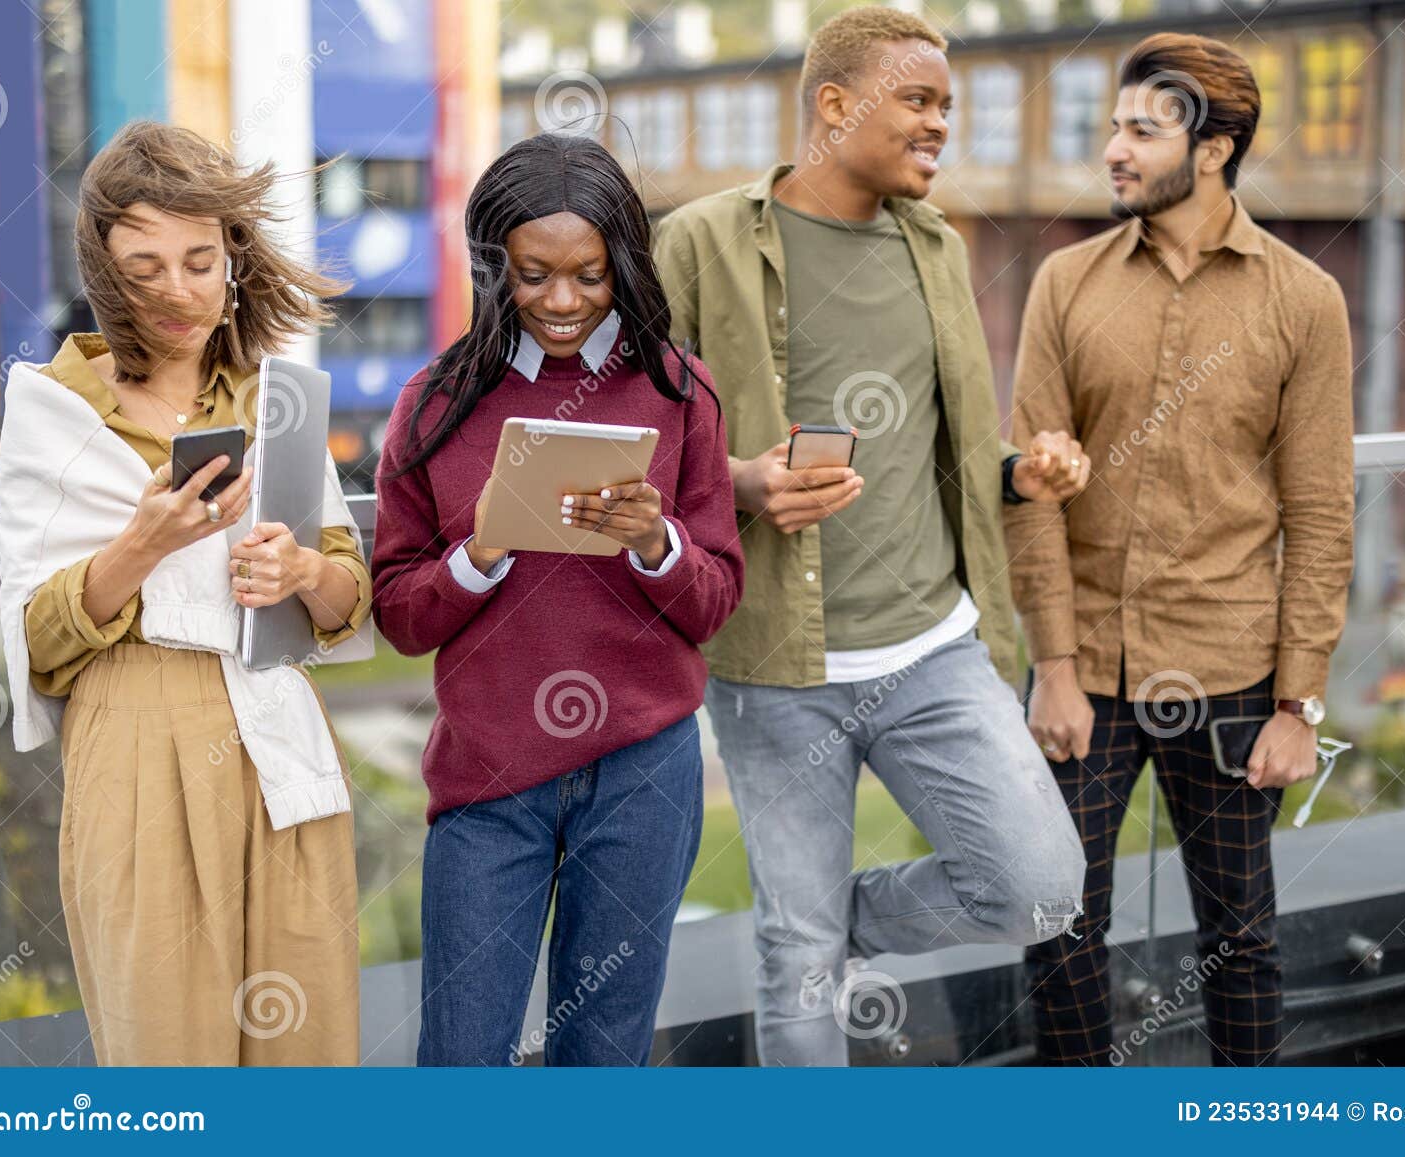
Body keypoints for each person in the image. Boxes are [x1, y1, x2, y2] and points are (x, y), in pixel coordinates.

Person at [652, 5, 1089, 1066]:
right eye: (920, 100)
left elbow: (948, 443)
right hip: (774, 666)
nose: (943, 124)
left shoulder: (935, 245)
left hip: (933, 648)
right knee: (797, 970)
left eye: (948, 105)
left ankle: (816, 919)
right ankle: (799, 938)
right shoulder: (700, 241)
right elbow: (638, 443)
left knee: (1037, 888)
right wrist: (742, 484)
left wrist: (1017, 471)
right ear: (835, 106)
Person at [1009, 33, 1355, 1066]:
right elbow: (1029, 487)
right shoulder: (1064, 282)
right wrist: (1055, 671)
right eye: (1111, 126)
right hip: (1086, 669)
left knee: (1242, 937)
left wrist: (1298, 704)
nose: (1111, 148)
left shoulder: (1303, 300)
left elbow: (1320, 507)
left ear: (1213, 148)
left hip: (1231, 667)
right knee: (1059, 923)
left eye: (1139, 130)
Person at [0, 121, 370, 1065]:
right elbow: (36, 643)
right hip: (134, 735)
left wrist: (304, 574)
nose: (176, 289)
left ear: (232, 261)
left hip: (277, 735)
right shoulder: (52, 410)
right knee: (168, 1055)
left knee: (307, 1049)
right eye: (143, 264)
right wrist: (142, 544)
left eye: (200, 260)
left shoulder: (275, 397)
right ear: (100, 269)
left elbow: (347, 596)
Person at [370, 133, 744, 1067]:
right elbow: (400, 614)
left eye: (591, 274)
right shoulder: (434, 404)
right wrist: (482, 549)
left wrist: (657, 543)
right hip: (489, 779)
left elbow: (716, 599)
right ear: (494, 268)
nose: (565, 302)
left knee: (606, 1049)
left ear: (625, 263)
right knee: (460, 1055)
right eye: (535, 276)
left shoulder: (680, 392)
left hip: (643, 774)